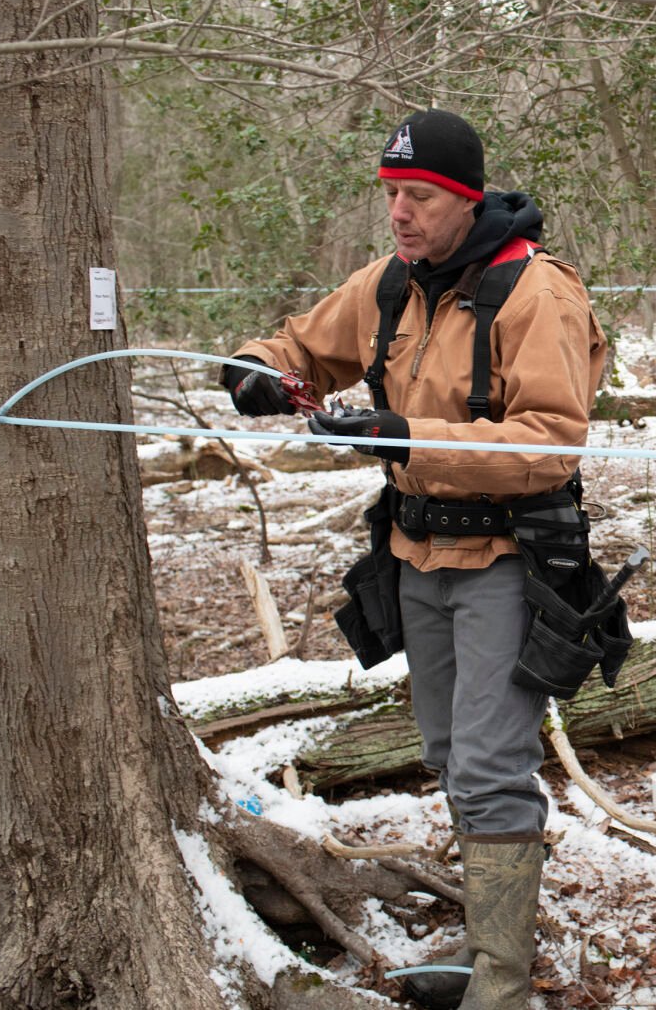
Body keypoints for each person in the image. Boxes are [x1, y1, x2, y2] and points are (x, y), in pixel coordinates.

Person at [224, 108, 608, 1010]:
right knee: (446, 751)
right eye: (390, 194)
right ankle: (482, 944)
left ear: (465, 199)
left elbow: (550, 443)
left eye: (420, 197)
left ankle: (502, 985)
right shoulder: (391, 281)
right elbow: (303, 342)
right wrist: (253, 367)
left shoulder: (537, 292)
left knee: (487, 763)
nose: (399, 213)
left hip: (511, 558)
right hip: (412, 550)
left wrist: (401, 432)